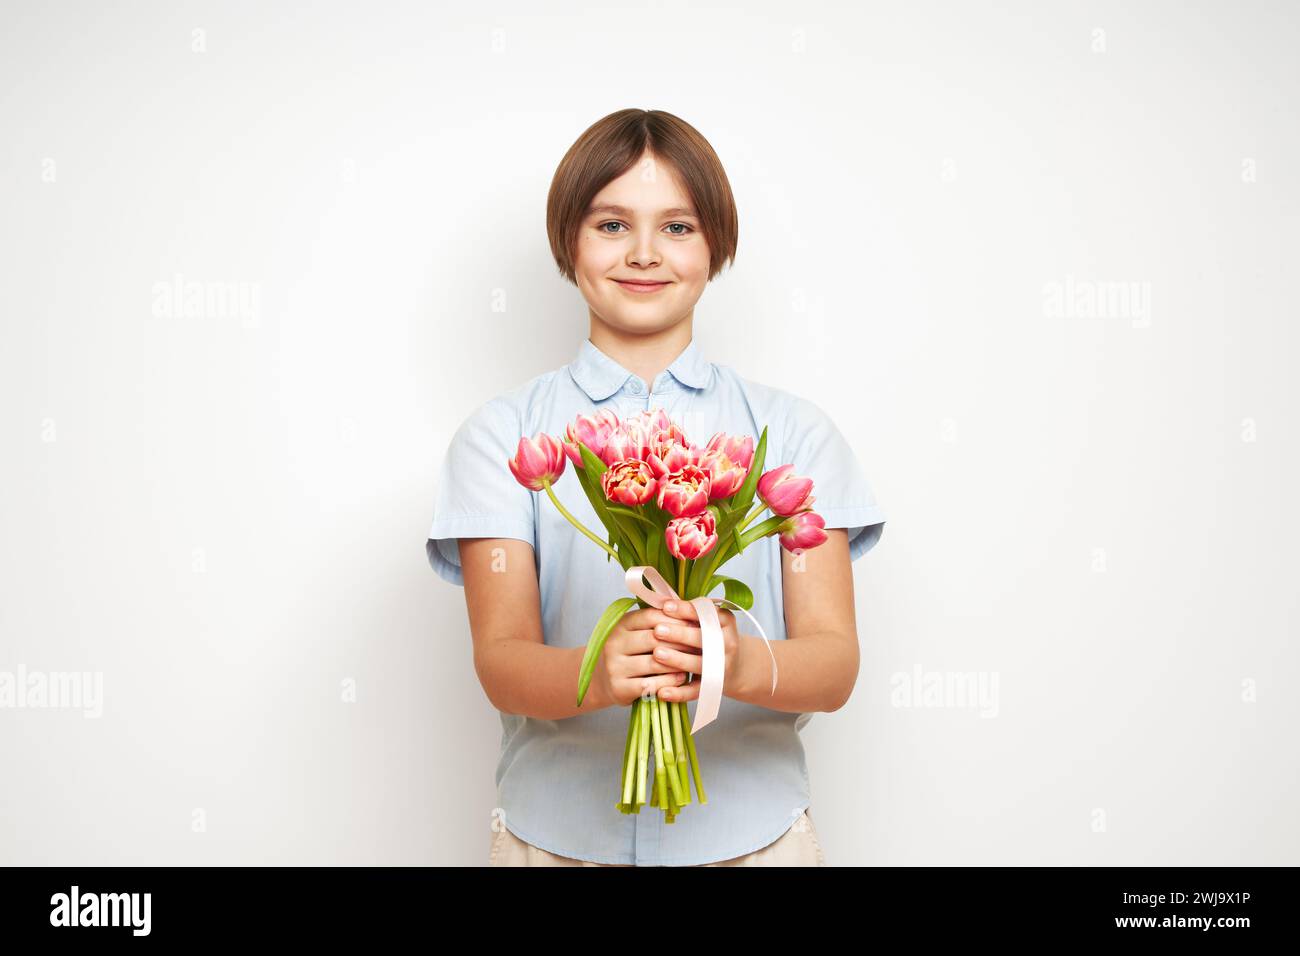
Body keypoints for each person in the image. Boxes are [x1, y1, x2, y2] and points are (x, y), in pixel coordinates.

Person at [425, 108, 887, 866]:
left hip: (756, 841)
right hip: (554, 843)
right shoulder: (505, 438)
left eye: (677, 227)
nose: (644, 254)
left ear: (715, 247)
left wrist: (734, 665)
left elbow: (833, 664)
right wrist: (597, 673)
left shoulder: (792, 437)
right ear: (569, 240)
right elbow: (501, 662)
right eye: (611, 225)